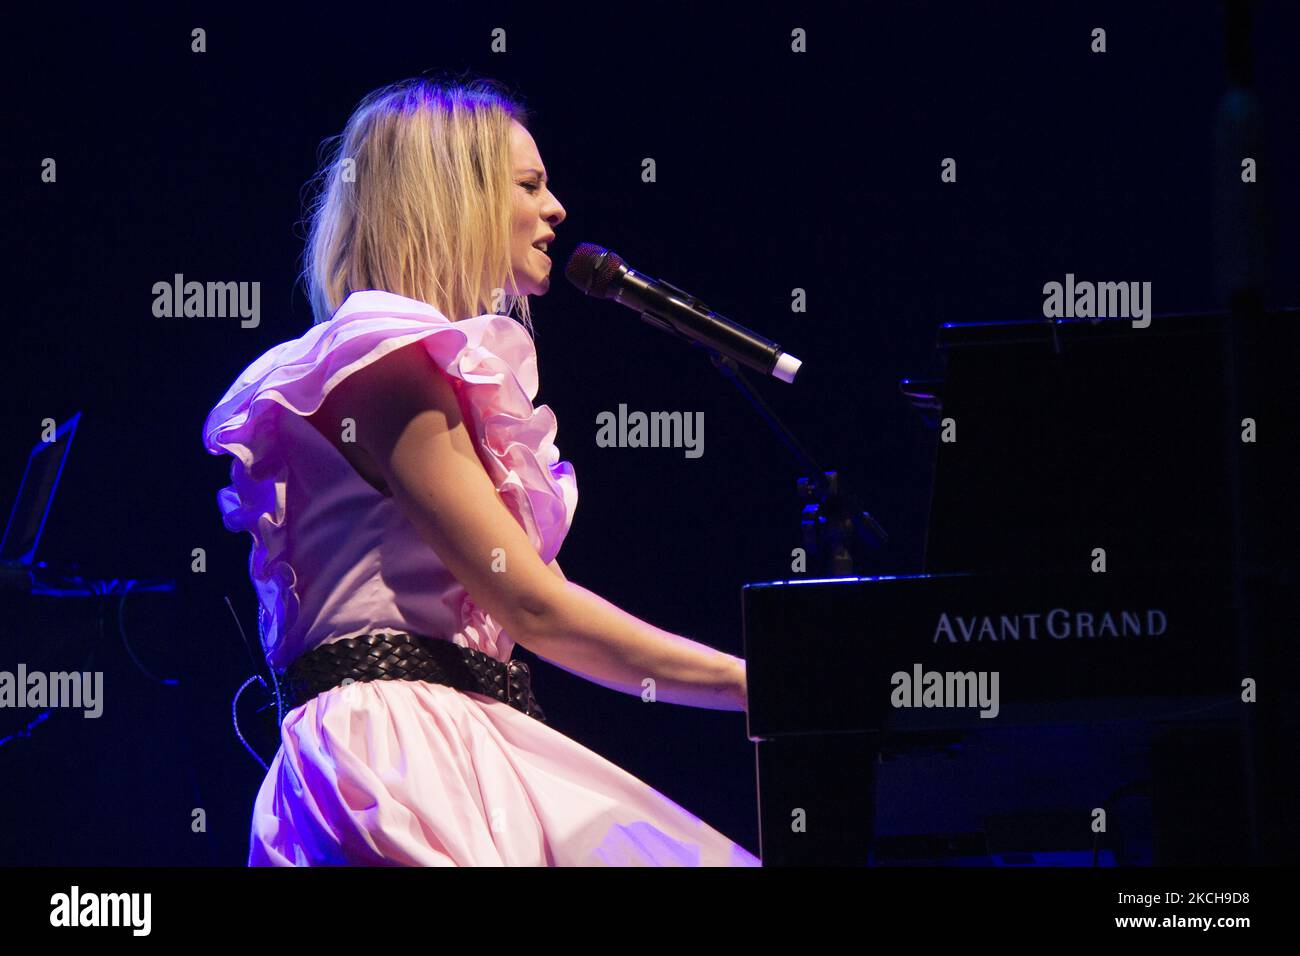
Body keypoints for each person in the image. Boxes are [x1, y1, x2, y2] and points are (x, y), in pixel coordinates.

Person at [201, 75, 760, 866]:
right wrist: (751, 682)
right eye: (530, 185)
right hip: (396, 756)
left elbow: (532, 608)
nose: (557, 207)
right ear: (451, 196)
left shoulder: (417, 371)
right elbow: (535, 607)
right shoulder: (383, 362)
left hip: (455, 732)